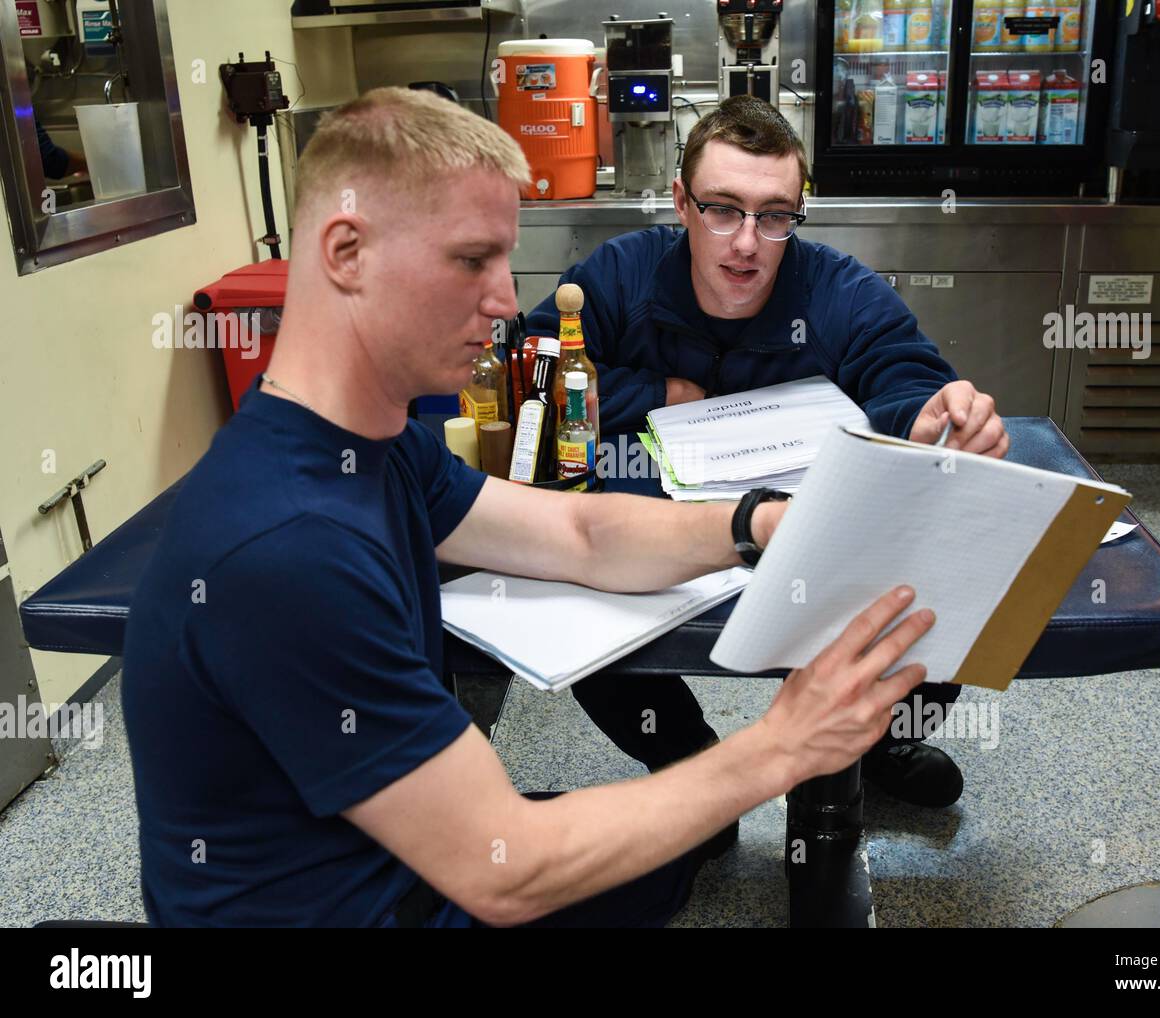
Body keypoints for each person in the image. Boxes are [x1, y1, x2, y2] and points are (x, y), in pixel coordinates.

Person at [120, 87, 934, 927]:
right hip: (377, 905)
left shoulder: (371, 443)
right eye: (473, 259)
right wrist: (784, 745)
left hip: (398, 859)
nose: (509, 302)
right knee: (623, 850)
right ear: (347, 252)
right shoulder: (286, 547)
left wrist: (753, 524)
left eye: (506, 261)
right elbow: (501, 869)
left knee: (657, 865)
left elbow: (578, 533)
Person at [527, 94, 1008, 812]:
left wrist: (931, 418)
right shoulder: (621, 275)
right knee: (561, 584)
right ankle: (687, 762)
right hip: (650, 536)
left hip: (809, 537)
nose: (747, 241)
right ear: (682, 204)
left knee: (942, 573)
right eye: (723, 209)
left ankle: (866, 752)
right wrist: (661, 391)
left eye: (774, 215)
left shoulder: (838, 288)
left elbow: (902, 370)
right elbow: (534, 364)